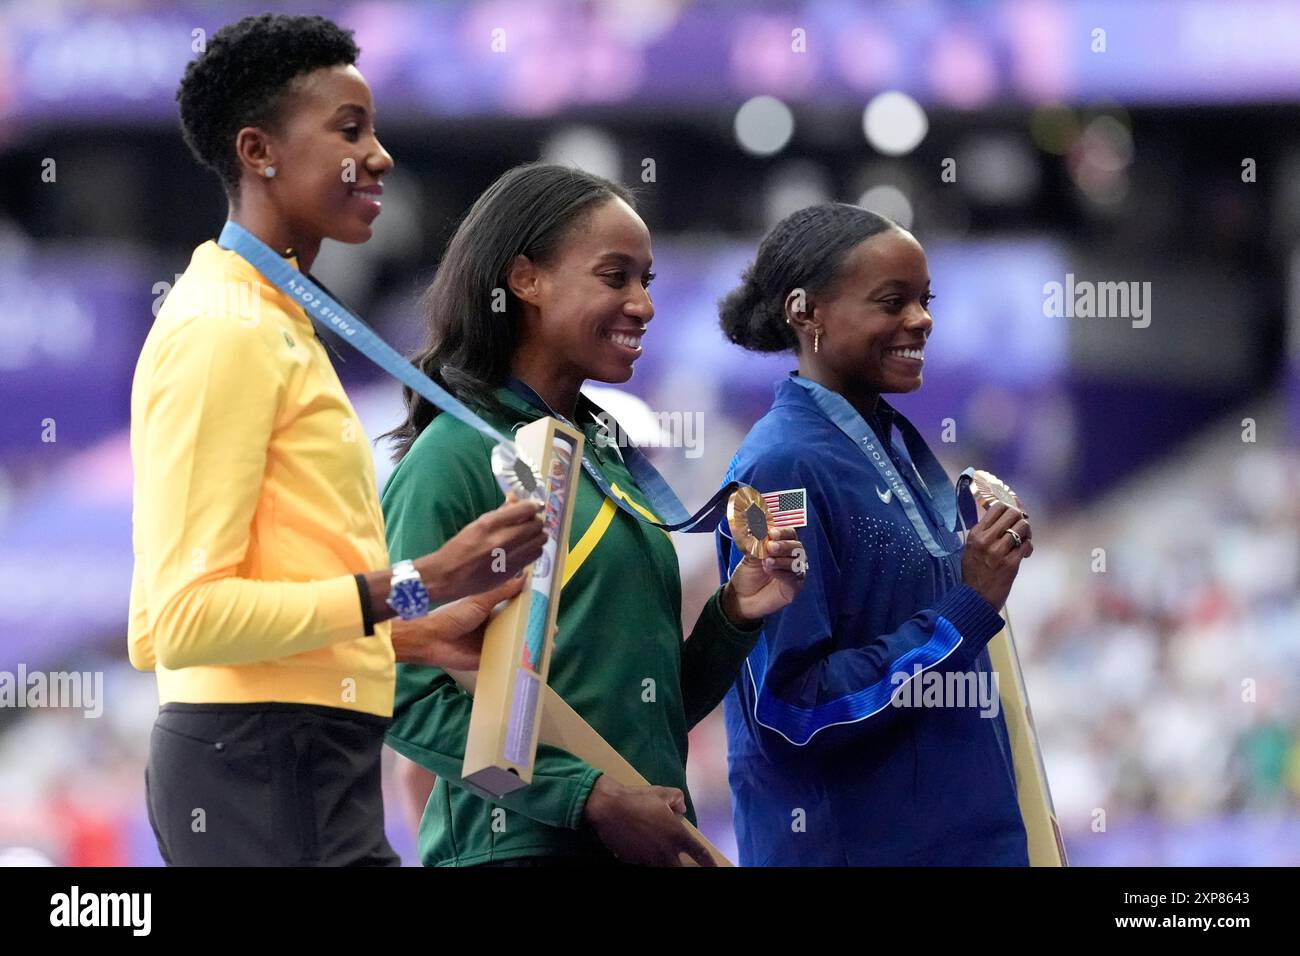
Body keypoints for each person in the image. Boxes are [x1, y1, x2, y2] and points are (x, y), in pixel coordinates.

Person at [129, 13, 545, 866]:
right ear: (258, 152)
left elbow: (183, 616)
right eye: (350, 130)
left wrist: (414, 626)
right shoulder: (227, 329)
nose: (381, 155)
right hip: (262, 762)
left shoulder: (269, 321)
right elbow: (179, 622)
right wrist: (417, 582)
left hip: (293, 757)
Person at [380, 163, 804, 866]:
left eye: (648, 281)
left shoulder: (604, 457)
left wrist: (735, 617)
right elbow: (403, 691)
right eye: (616, 277)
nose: (643, 304)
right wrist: (588, 798)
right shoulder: (452, 456)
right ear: (525, 279)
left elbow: (643, 710)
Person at [715, 203, 1033, 865]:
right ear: (805, 312)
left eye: (925, 300)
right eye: (892, 302)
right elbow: (793, 710)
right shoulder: (781, 470)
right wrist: (967, 605)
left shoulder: (889, 444)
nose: (921, 320)